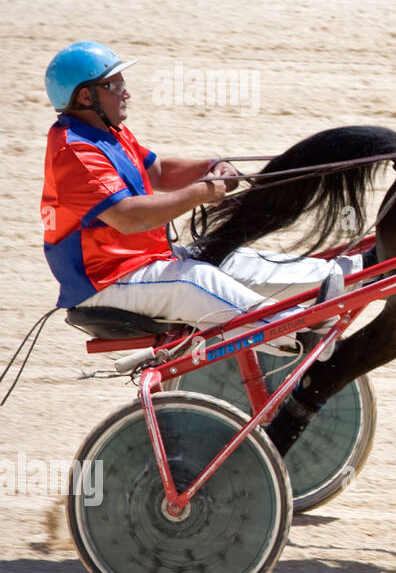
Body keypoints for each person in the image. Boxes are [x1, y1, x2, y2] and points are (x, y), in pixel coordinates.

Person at [41, 41, 355, 355]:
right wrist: (201, 193)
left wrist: (210, 167)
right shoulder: (75, 150)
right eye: (117, 85)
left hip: (140, 264)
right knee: (196, 281)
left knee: (231, 260)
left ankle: (339, 274)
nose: (127, 93)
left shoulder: (110, 132)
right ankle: (302, 334)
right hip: (104, 283)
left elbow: (160, 172)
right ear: (86, 96)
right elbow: (128, 217)